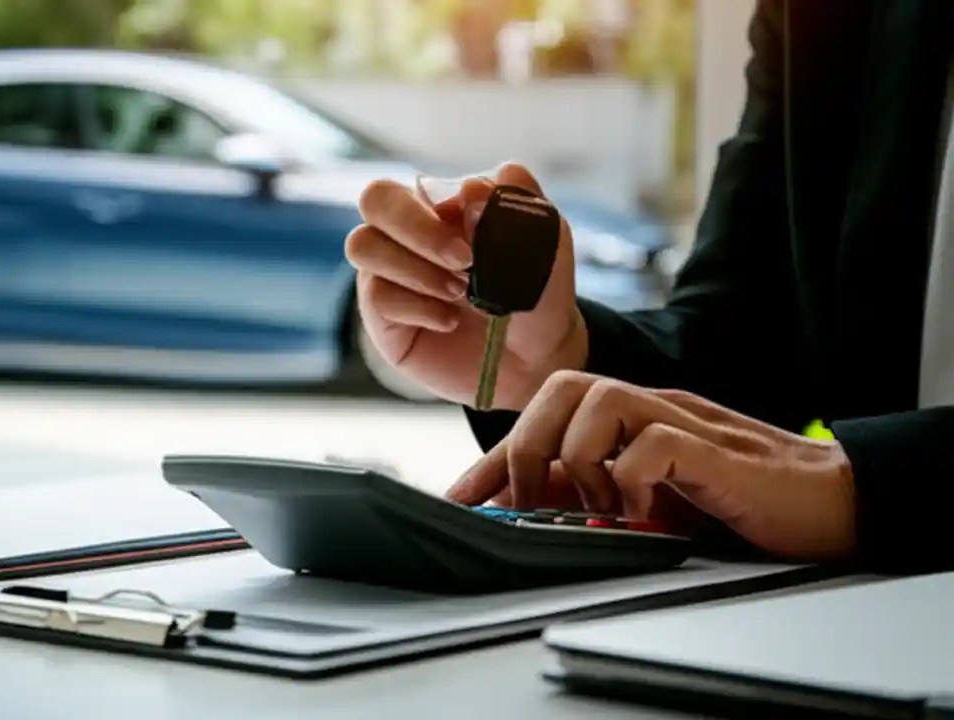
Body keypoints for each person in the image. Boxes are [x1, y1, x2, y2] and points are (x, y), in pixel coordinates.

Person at [345, 0, 954, 574]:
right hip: (858, 614)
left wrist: (867, 484)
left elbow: (813, 474)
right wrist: (556, 361)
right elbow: (746, 342)